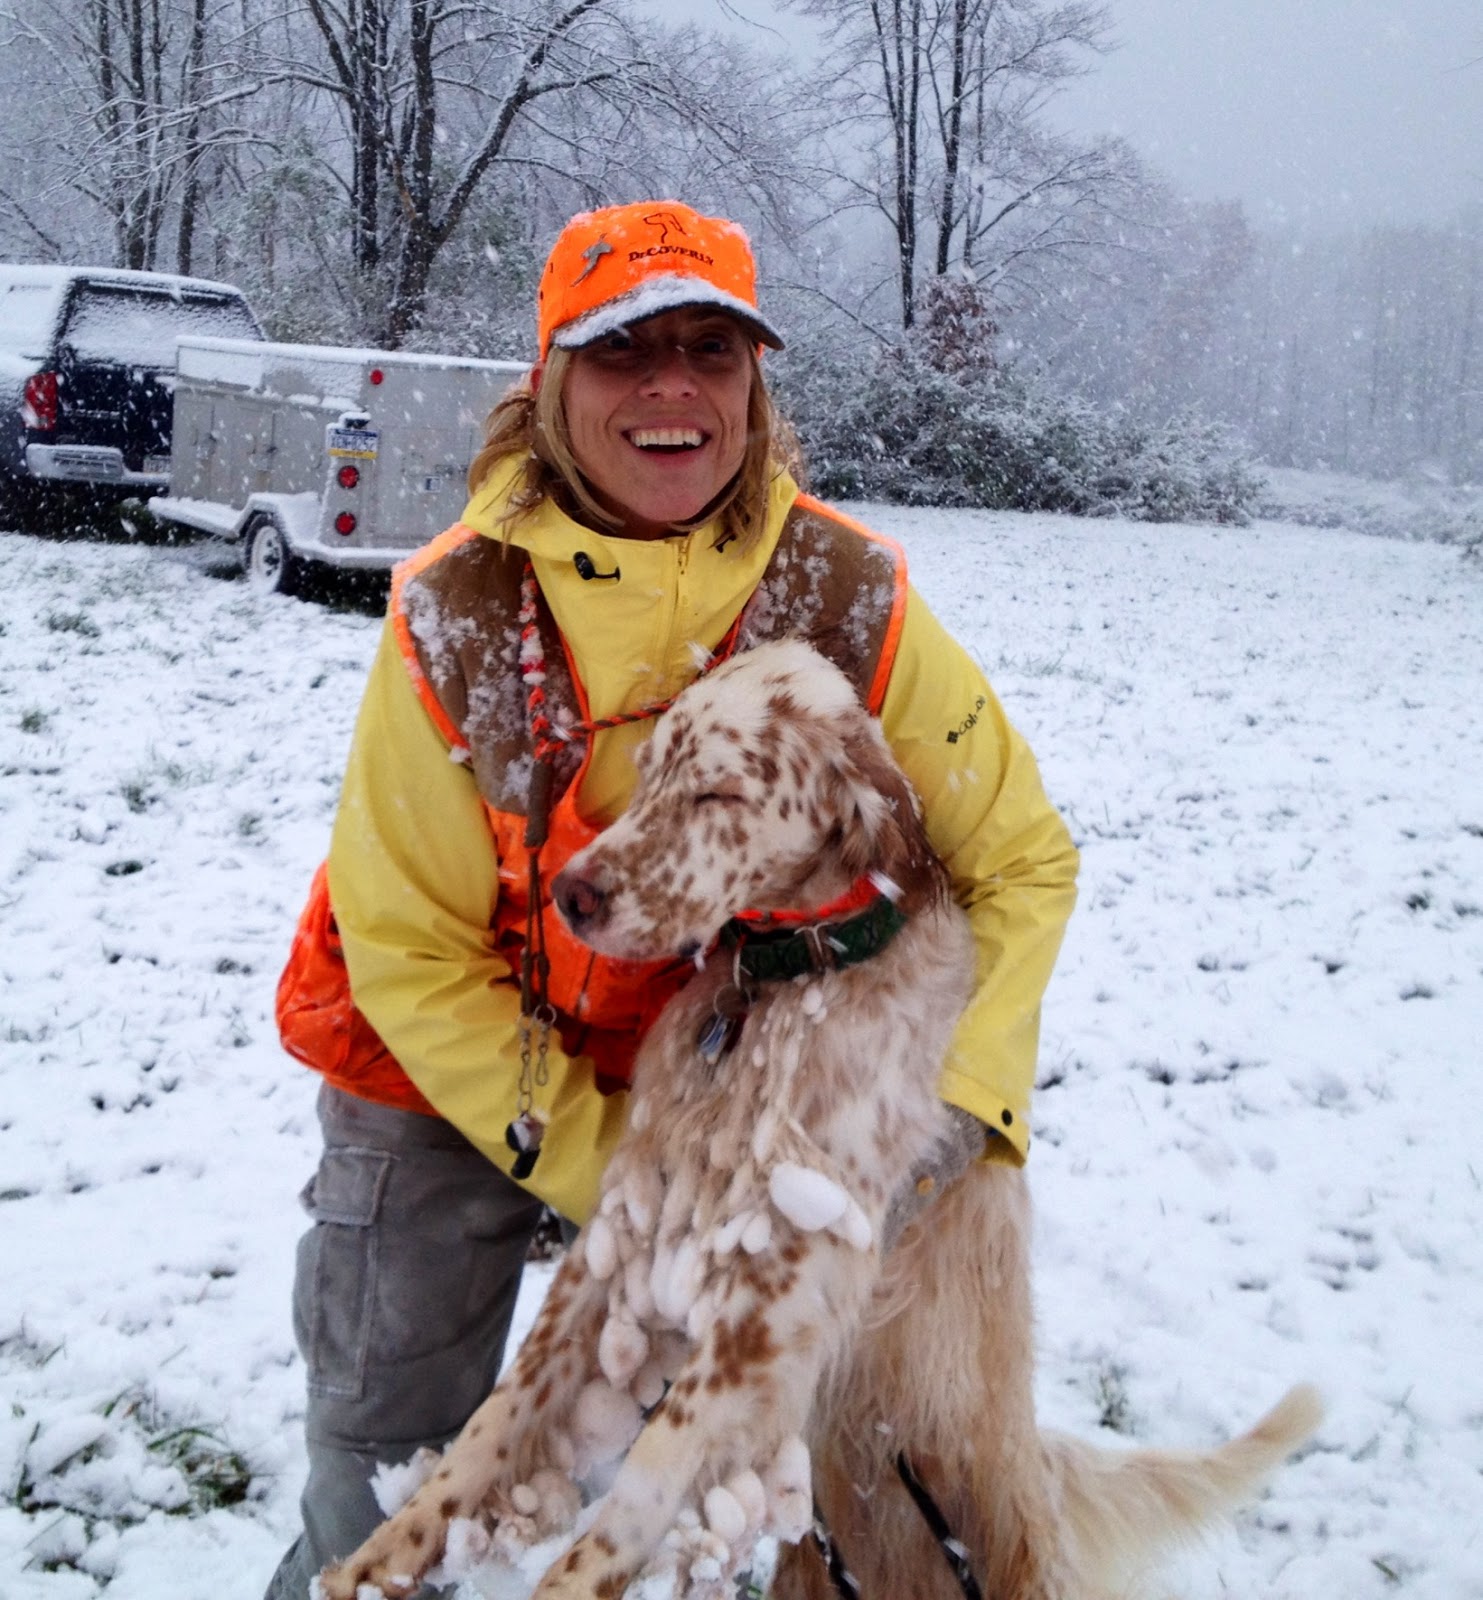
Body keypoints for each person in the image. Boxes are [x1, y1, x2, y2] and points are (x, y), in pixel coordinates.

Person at [263, 199, 1079, 1598]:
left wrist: (949, 1116)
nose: (671, 387)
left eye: (712, 349)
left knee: (694, 1492)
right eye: (621, 351)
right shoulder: (452, 616)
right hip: (437, 1063)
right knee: (383, 1460)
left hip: (728, 1076)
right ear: (550, 387)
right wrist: (616, 1174)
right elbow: (406, 946)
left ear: (755, 388)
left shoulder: (850, 595)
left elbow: (1018, 861)